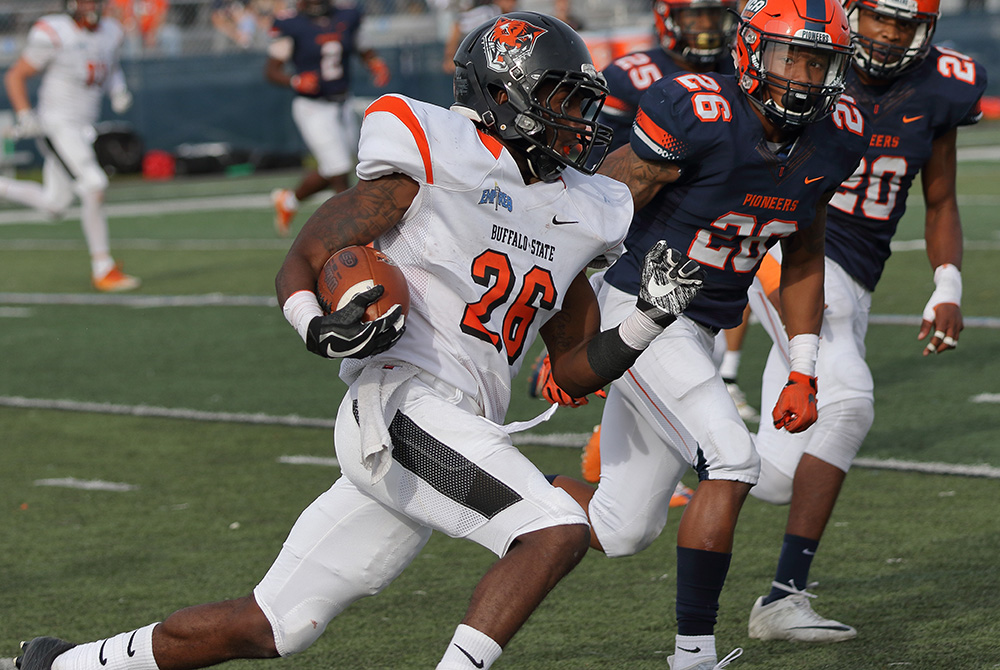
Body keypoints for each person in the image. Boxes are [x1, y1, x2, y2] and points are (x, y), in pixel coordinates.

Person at [9, 13, 705, 670]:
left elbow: (573, 370)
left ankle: (64, 663)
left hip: (453, 426)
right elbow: (309, 253)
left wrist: (648, 318)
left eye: (582, 102)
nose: (579, 121)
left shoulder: (577, 212)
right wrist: (316, 324)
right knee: (554, 529)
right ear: (503, 94)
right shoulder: (438, 155)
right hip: (401, 404)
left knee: (272, 623)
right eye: (559, 96)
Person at [546, 0, 872, 665]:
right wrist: (568, 344)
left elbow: (806, 249)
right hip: (641, 314)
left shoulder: (835, 135)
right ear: (751, 50)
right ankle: (692, 656)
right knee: (732, 458)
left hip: (701, 324)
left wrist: (805, 367)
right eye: (792, 57)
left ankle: (502, 493)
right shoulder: (696, 112)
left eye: (820, 62)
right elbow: (585, 221)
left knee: (622, 526)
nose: (805, 77)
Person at [744, 0, 986, 642]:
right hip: (793, 251)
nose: (885, 34)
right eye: (877, 17)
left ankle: (672, 439)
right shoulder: (813, 60)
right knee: (849, 401)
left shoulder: (945, 85)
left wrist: (947, 284)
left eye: (901, 23)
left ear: (924, 31)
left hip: (858, 267)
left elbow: (940, 198)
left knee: (769, 478)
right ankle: (782, 599)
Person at [526, 0, 756, 486]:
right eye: (695, 16)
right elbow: (594, 152)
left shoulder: (740, 77)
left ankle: (639, 459)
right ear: (667, 18)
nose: (707, 29)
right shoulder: (637, 73)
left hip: (704, 223)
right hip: (633, 213)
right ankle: (561, 354)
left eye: (715, 17)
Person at [0, 0, 140, 292]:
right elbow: (15, 75)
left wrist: (118, 90)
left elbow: (110, 65)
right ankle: (103, 268)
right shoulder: (56, 32)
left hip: (83, 127)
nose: (92, 7)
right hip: (56, 125)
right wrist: (25, 114)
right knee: (93, 184)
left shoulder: (111, 31)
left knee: (55, 205)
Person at [267, 0, 391, 236]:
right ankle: (352, 230)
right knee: (339, 168)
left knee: (336, 165)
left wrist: (374, 63)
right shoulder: (292, 24)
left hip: (342, 103)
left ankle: (288, 201)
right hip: (313, 106)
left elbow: (362, 46)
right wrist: (296, 81)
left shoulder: (346, 17)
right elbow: (271, 70)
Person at [441, 0, 517, 75]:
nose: (511, 3)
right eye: (508, 0)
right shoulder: (488, 13)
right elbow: (459, 26)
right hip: (477, 63)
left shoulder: (513, 15)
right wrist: (450, 56)